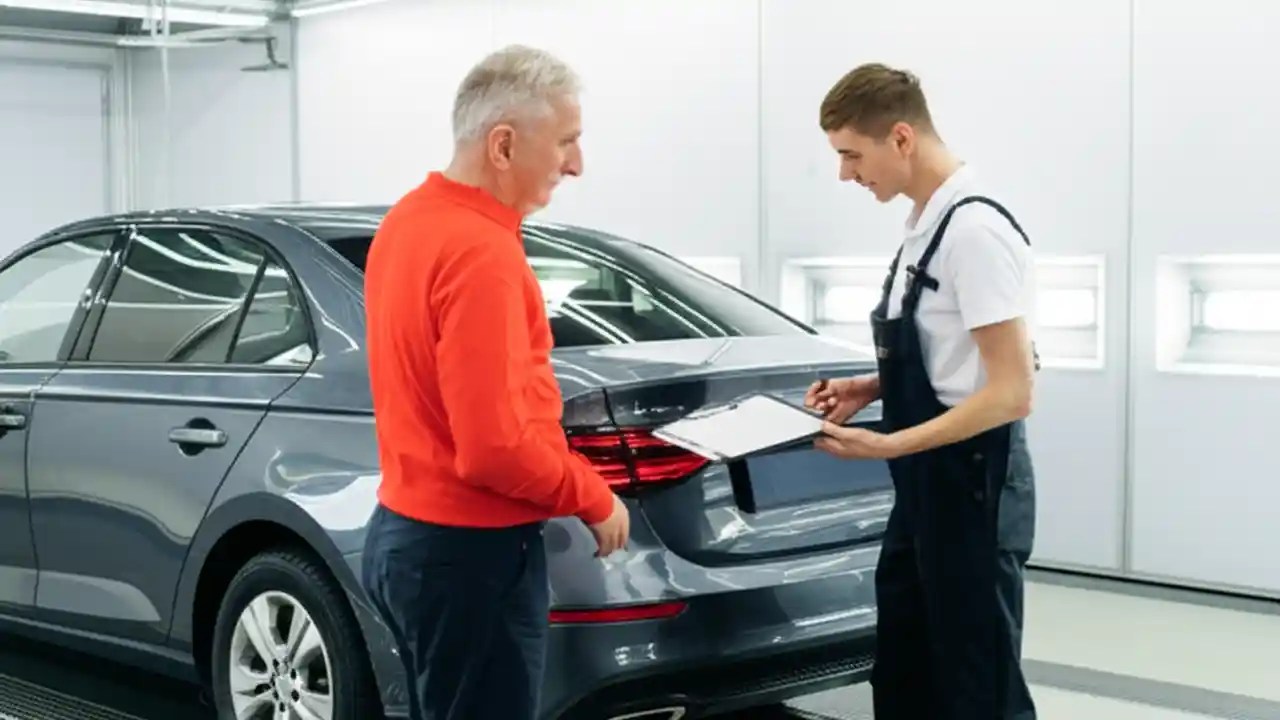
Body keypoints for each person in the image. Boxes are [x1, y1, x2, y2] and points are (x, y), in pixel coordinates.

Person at [360, 45, 630, 720]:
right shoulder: (482, 253)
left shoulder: (406, 221)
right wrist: (592, 495)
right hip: (470, 557)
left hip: (407, 537)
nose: (576, 164)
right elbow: (493, 447)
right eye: (566, 141)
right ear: (504, 145)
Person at [806, 62, 1039, 720]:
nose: (846, 174)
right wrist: (867, 387)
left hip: (974, 484)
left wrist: (888, 445)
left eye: (852, 155)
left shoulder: (974, 233)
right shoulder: (924, 228)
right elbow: (949, 352)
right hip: (926, 487)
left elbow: (1013, 391)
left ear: (901, 138)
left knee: (976, 687)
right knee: (908, 670)